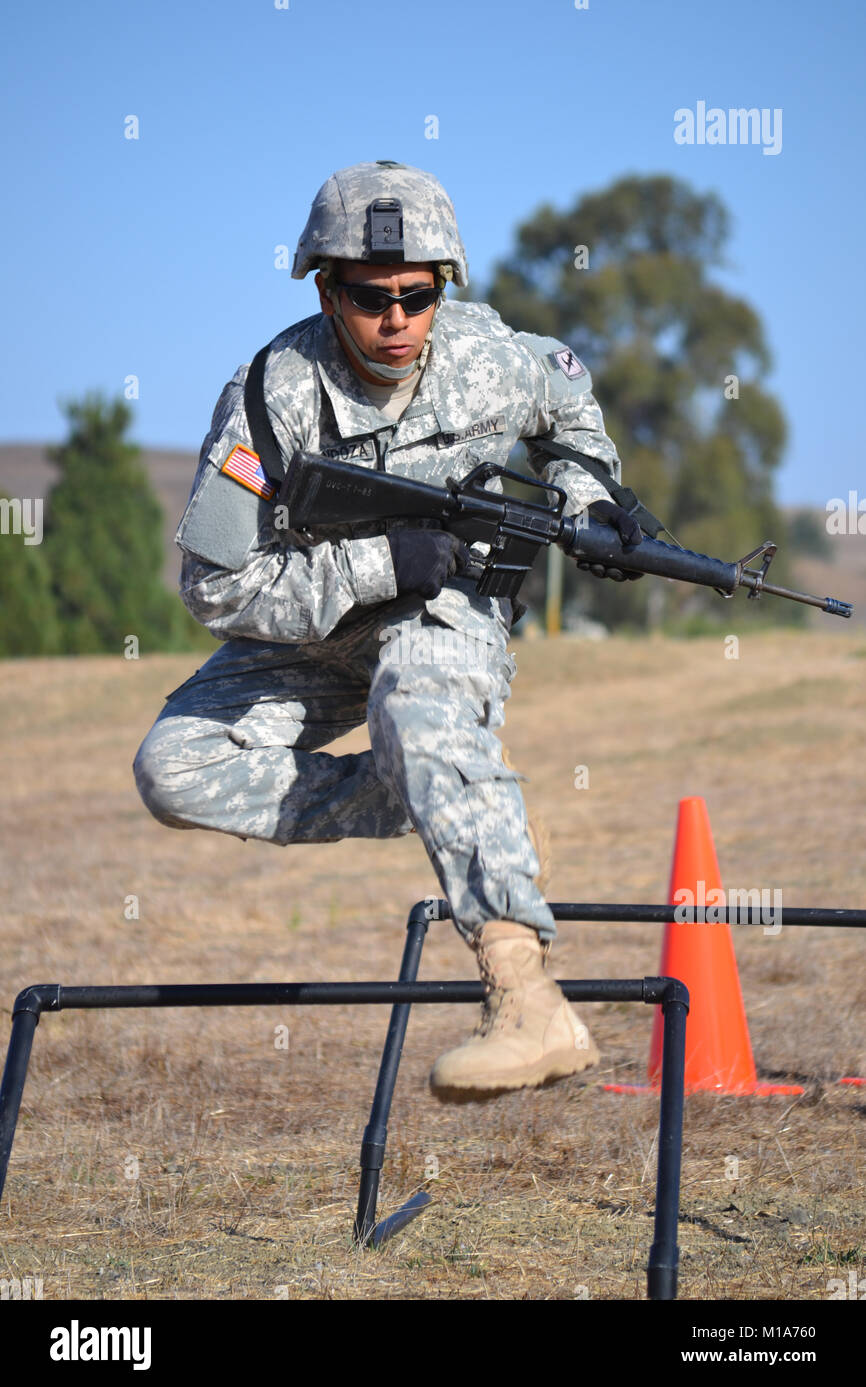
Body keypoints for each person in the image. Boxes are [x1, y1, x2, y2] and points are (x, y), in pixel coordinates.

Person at [133, 160, 641, 1102]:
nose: (399, 319)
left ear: (444, 288)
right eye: (372, 299)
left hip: (444, 613)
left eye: (420, 294)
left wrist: (591, 493)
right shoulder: (268, 397)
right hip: (313, 627)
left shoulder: (488, 353)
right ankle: (432, 784)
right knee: (173, 769)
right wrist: (372, 566)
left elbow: (567, 400)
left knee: (417, 698)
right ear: (327, 291)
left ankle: (528, 999)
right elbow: (212, 587)